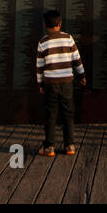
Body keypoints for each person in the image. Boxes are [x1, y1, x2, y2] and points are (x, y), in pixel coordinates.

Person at [35, 9, 85, 156]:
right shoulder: (68, 38)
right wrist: (81, 75)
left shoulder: (42, 42)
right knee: (68, 114)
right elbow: (77, 59)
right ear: (60, 24)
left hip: (50, 84)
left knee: (51, 115)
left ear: (45, 25)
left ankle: (49, 147)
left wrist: (40, 84)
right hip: (67, 82)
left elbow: (39, 66)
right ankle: (70, 146)